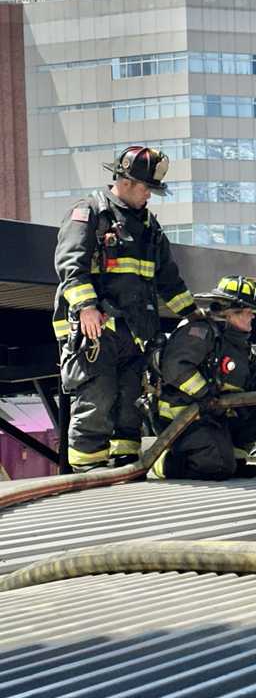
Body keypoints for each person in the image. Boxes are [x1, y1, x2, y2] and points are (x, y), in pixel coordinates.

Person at [53, 146, 198, 472]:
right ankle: (87, 476)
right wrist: (87, 307)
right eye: (147, 188)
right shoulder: (89, 213)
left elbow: (168, 279)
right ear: (127, 181)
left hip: (137, 334)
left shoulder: (149, 227)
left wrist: (192, 315)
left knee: (130, 404)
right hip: (96, 332)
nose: (150, 195)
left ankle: (126, 467)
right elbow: (70, 266)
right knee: (97, 400)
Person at [151, 275, 256, 481]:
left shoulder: (241, 348)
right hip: (183, 417)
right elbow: (175, 367)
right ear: (230, 313)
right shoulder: (199, 331)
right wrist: (204, 395)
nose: (253, 317)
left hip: (213, 416)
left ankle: (235, 460)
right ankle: (163, 463)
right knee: (216, 467)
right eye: (249, 312)